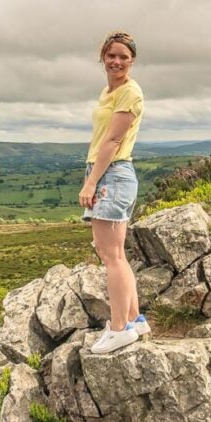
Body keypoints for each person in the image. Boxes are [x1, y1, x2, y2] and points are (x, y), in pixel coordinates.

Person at [78, 31, 150, 353]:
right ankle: (135, 321)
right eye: (111, 55)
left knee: (111, 257)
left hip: (112, 173)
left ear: (132, 59)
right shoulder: (110, 91)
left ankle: (119, 329)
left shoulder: (130, 93)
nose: (117, 61)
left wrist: (91, 182)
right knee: (116, 255)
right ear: (103, 58)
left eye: (123, 56)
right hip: (111, 173)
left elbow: (112, 142)